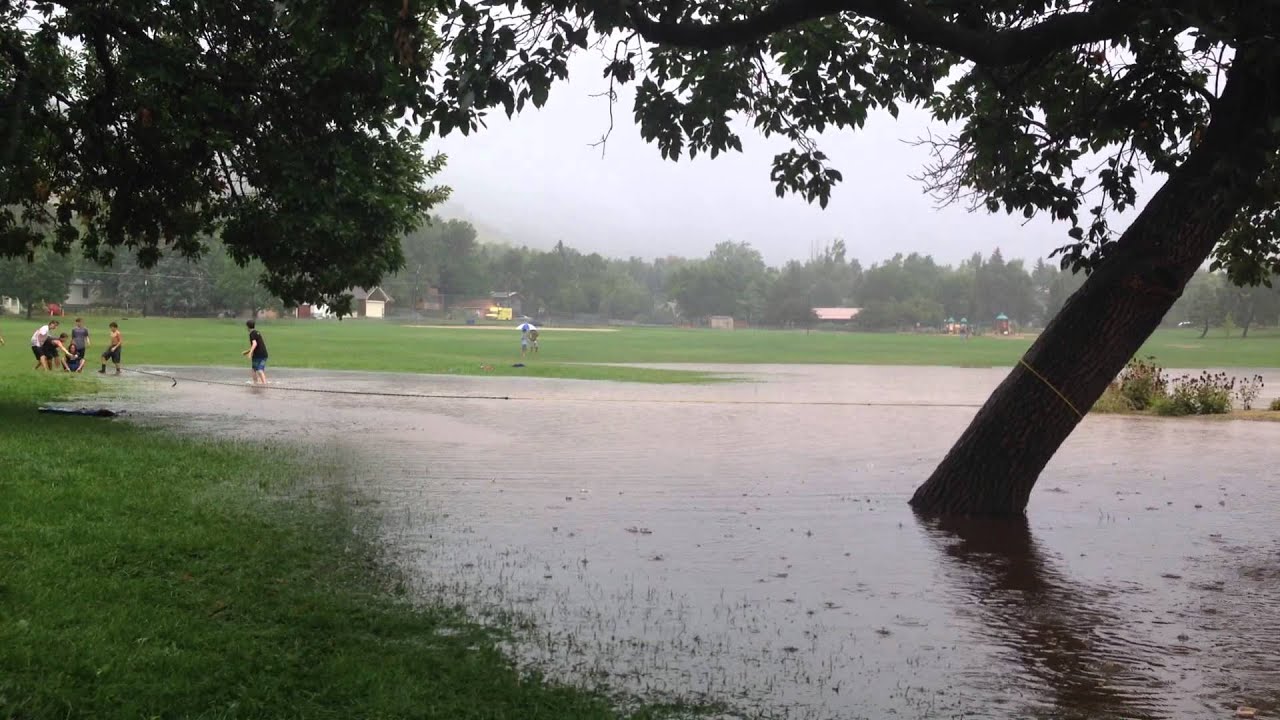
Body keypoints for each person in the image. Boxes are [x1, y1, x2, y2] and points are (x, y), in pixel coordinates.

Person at [242, 319, 268, 384]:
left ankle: (263, 384)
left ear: (247, 326)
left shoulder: (252, 334)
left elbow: (255, 344)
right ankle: (256, 383)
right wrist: (248, 351)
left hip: (259, 355)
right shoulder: (257, 332)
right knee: (254, 369)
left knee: (259, 370)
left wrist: (250, 353)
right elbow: (258, 345)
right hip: (263, 354)